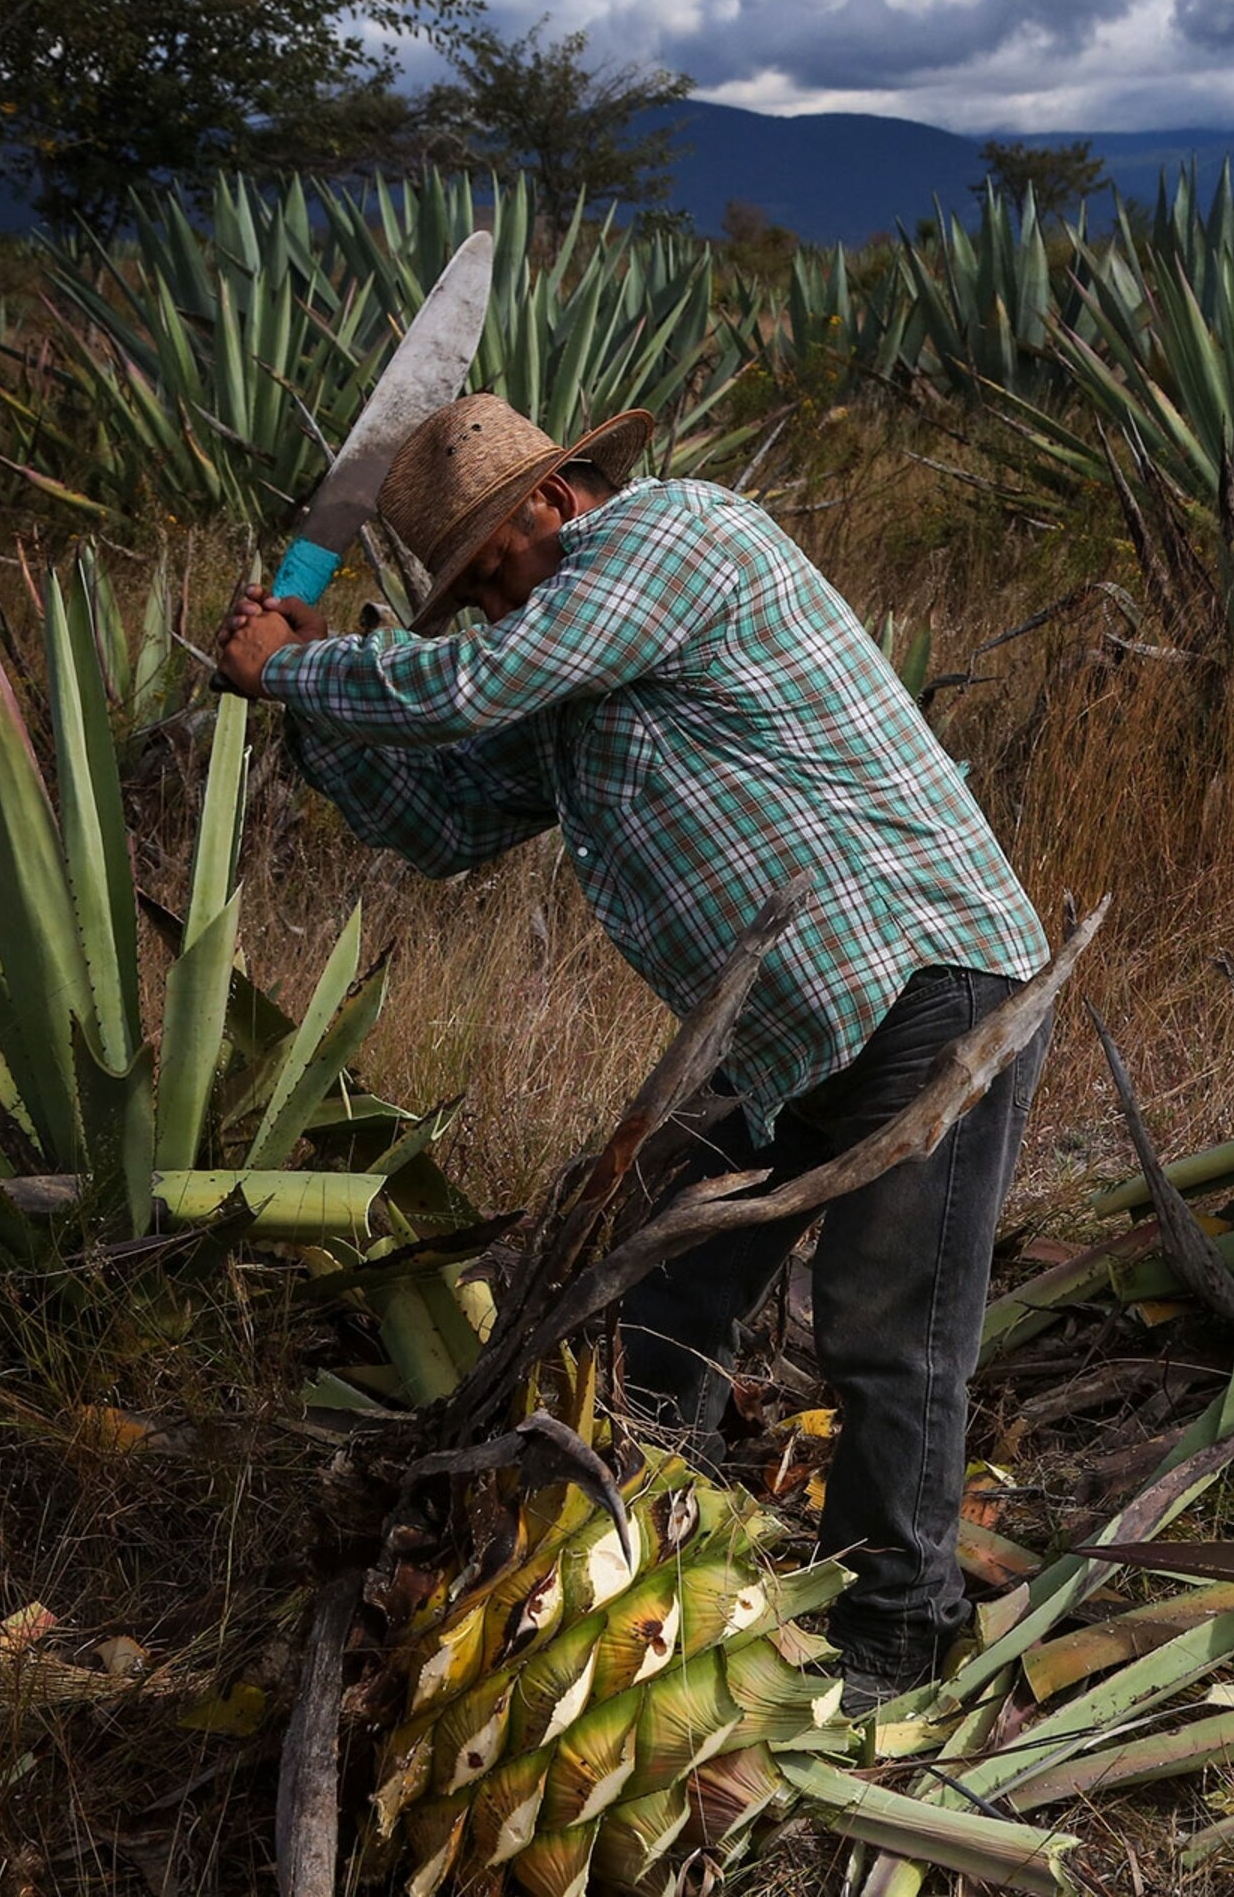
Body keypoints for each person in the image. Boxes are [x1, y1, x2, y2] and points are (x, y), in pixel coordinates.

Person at [214, 393, 1053, 1708]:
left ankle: (898, 1642)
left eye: (494, 565)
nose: (495, 604)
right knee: (649, 1302)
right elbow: (444, 819)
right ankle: (631, 1577)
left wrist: (295, 668)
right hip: (791, 1032)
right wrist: (306, 708)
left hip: (924, 986)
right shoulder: (566, 668)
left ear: (553, 500)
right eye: (473, 587)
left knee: (892, 1336)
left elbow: (483, 683)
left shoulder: (675, 537)